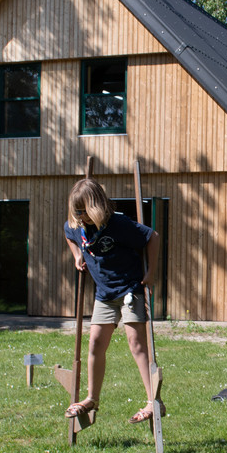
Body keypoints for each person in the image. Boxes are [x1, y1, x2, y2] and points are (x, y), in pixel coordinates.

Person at [63, 179, 162, 424]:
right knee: (95, 343)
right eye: (77, 212)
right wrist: (77, 256)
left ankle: (153, 401)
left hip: (131, 289)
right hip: (104, 295)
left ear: (96, 207)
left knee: (136, 342)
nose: (81, 217)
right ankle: (91, 398)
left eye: (85, 211)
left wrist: (151, 274)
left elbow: (152, 237)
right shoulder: (76, 226)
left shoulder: (118, 224)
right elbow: (69, 233)